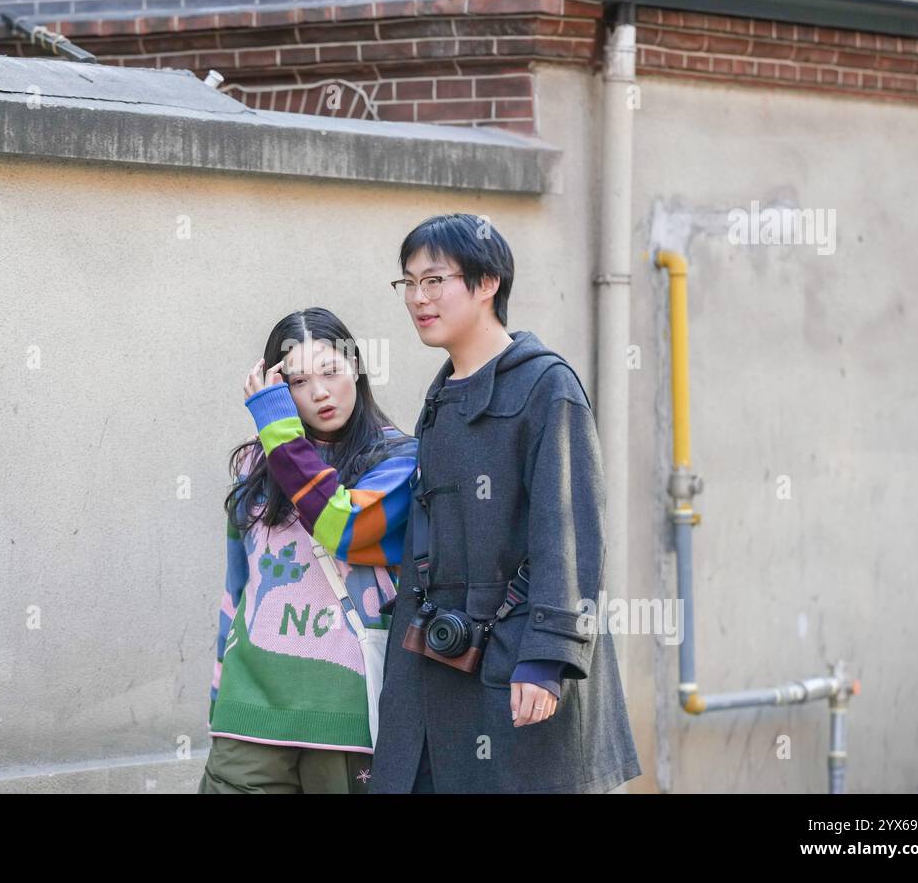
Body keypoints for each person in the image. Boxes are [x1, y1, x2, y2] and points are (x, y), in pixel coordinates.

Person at [370, 213, 642, 793]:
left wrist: (548, 656)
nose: (419, 298)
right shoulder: (442, 394)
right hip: (434, 664)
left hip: (517, 669)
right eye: (409, 283)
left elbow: (570, 531)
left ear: (487, 282)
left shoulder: (547, 386)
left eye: (434, 280)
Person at [199, 308, 418, 793]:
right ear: (276, 388)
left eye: (331, 372)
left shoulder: (400, 460)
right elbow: (238, 589)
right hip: (249, 712)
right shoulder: (254, 465)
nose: (318, 392)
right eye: (296, 381)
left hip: (346, 714)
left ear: (357, 369)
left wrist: (277, 429)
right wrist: (220, 696)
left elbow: (345, 526)